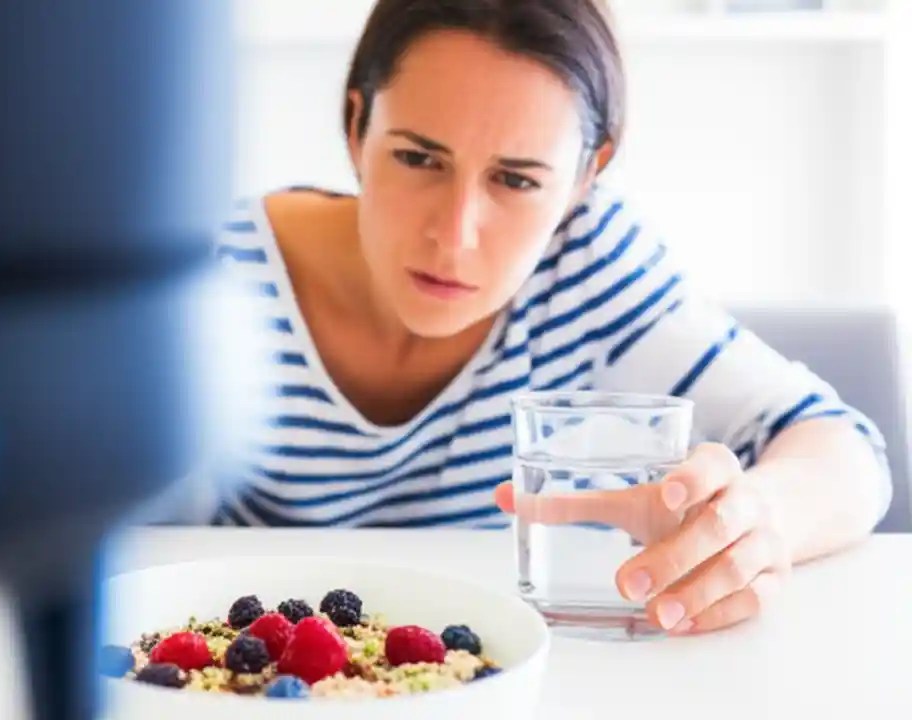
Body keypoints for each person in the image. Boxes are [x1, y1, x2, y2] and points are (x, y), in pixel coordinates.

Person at [201, 0, 892, 636]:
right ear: (357, 128)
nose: (455, 236)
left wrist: (752, 521)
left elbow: (845, 450)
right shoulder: (212, 275)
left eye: (517, 179)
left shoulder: (587, 262)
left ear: (588, 173)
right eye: (417, 158)